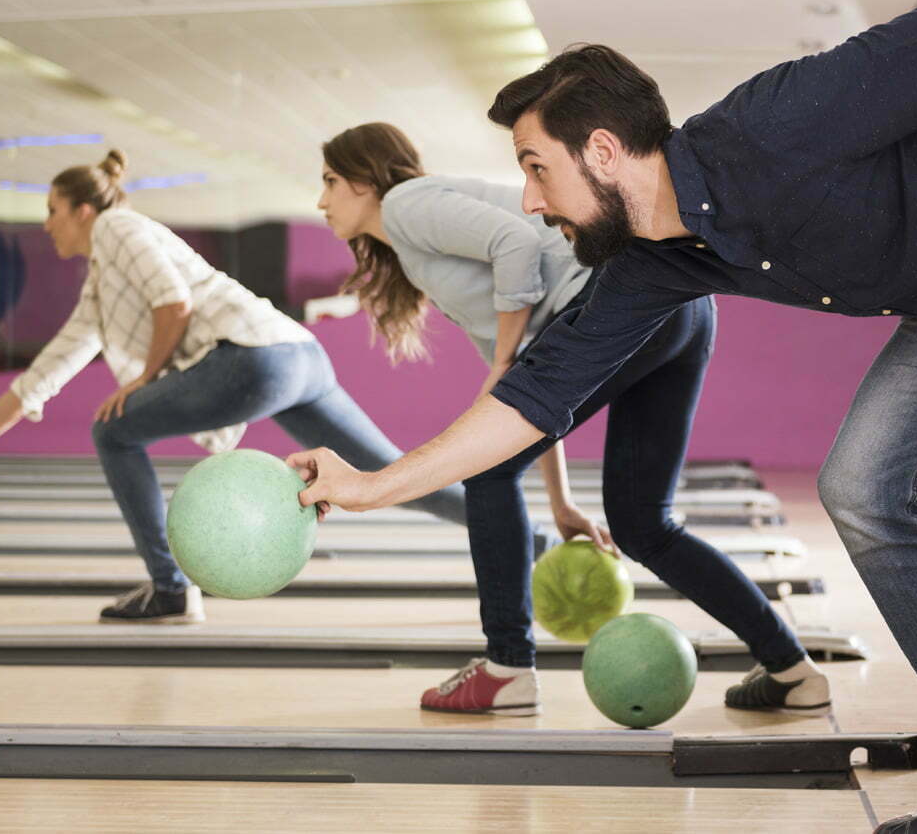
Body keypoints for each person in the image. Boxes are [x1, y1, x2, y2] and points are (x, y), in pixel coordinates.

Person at [289, 0, 917, 833]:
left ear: (606, 151)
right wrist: (369, 487)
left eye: (537, 168)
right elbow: (530, 399)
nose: (529, 202)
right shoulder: (654, 267)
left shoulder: (779, 120)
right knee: (862, 490)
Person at [317, 122, 826, 717]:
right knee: (642, 526)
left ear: (365, 180)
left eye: (329, 182)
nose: (321, 201)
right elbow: (526, 405)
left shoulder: (405, 205)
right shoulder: (414, 246)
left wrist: (508, 361)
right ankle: (794, 672)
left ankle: (508, 667)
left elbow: (516, 246)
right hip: (673, 303)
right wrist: (560, 503)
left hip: (618, 299)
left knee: (485, 473)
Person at [0, 148, 467, 623]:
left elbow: (174, 303)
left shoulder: (118, 227)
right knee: (394, 474)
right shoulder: (100, 285)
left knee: (114, 432)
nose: (46, 225)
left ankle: (170, 589)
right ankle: (532, 537)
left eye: (52, 210)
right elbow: (41, 377)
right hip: (299, 357)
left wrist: (142, 379)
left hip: (253, 358)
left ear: (84, 211)